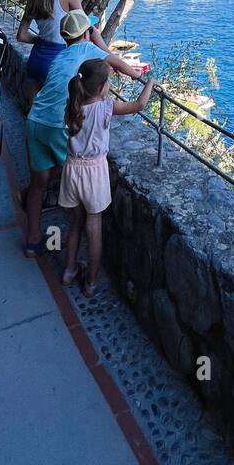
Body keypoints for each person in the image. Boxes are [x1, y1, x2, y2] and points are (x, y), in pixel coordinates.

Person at [22, 8, 144, 258]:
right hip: (56, 125)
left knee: (38, 184)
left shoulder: (60, 55)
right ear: (86, 34)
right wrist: (138, 75)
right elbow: (117, 62)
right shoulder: (89, 50)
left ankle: (33, 242)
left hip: (35, 120)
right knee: (73, 175)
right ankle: (68, 258)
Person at [61, 58, 155, 296]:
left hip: (72, 169)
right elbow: (139, 105)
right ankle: (91, 282)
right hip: (94, 172)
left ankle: (69, 271)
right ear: (102, 87)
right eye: (109, 82)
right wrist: (151, 82)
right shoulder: (106, 108)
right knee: (94, 227)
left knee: (75, 223)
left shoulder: (73, 105)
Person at [16, 0, 106, 98]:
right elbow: (85, 27)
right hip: (57, 59)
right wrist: (107, 54)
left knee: (34, 109)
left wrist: (40, 40)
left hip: (35, 59)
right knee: (61, 111)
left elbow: (22, 36)